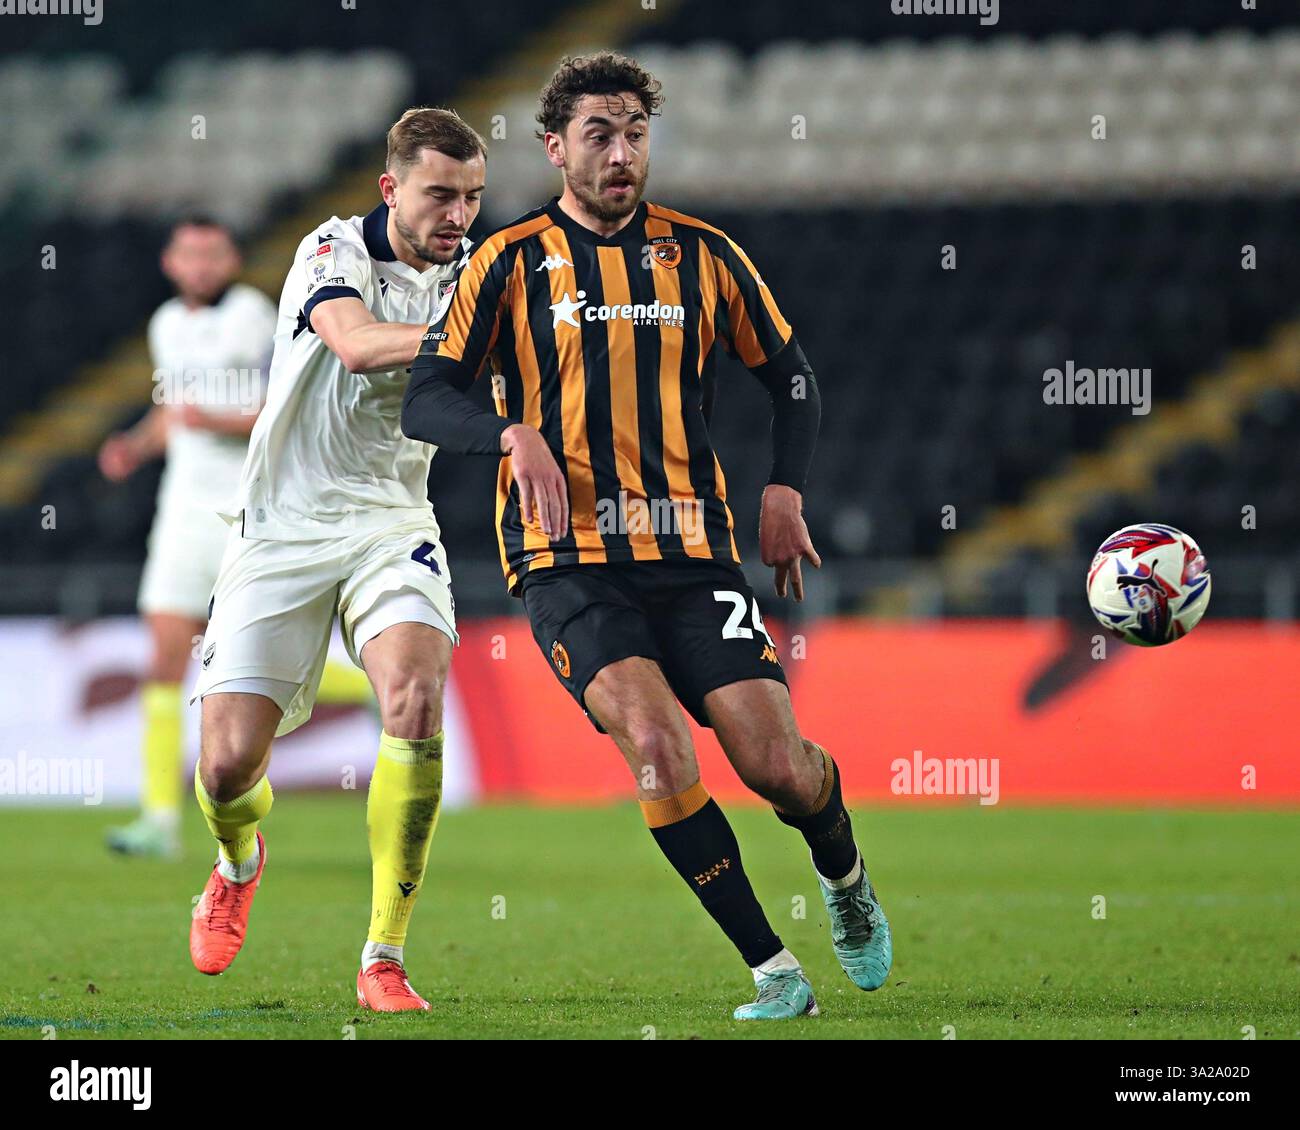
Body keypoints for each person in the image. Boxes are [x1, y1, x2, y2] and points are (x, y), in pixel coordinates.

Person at [402, 53, 891, 1020]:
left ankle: (843, 875)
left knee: (778, 768)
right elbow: (427, 395)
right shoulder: (505, 262)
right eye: (598, 135)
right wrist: (510, 431)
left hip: (693, 553)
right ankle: (773, 970)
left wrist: (784, 488)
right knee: (660, 751)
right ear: (554, 149)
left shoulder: (704, 254)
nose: (621, 153)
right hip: (565, 561)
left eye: (633, 133)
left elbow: (791, 379)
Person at [186, 107, 486, 1012]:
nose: (457, 216)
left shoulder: (479, 272)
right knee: (227, 768)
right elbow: (355, 347)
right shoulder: (332, 250)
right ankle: (239, 859)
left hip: (392, 518)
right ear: (392, 188)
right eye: (440, 194)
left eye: (472, 197)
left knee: (415, 693)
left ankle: (383, 956)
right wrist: (475, 343)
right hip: (280, 525)